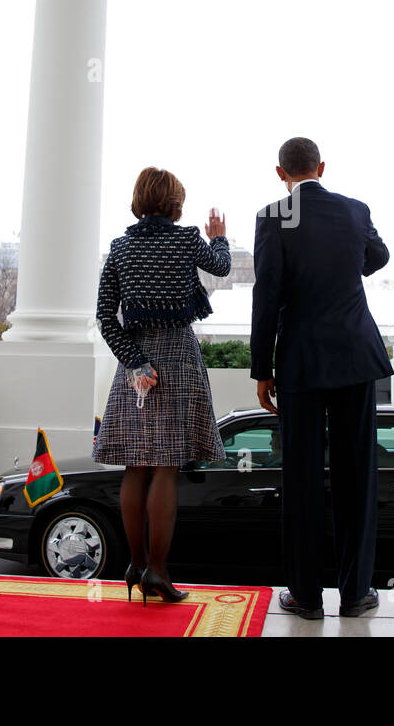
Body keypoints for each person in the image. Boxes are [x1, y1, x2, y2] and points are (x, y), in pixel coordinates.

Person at [250, 137, 393, 620]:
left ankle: (306, 598)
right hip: (356, 356)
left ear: (280, 173)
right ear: (322, 167)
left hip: (300, 363)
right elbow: (380, 257)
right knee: (358, 477)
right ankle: (356, 593)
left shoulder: (272, 217)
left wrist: (262, 369)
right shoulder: (356, 211)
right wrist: (345, 265)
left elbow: (266, 296)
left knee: (302, 480)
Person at [93, 167, 231, 605]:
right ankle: (157, 569)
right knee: (166, 467)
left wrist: (135, 362)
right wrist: (219, 235)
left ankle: (133, 565)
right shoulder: (188, 239)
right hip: (178, 357)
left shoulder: (120, 248)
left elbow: (104, 317)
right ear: (174, 203)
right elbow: (223, 267)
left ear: (138, 199)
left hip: (135, 366)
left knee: (136, 466)